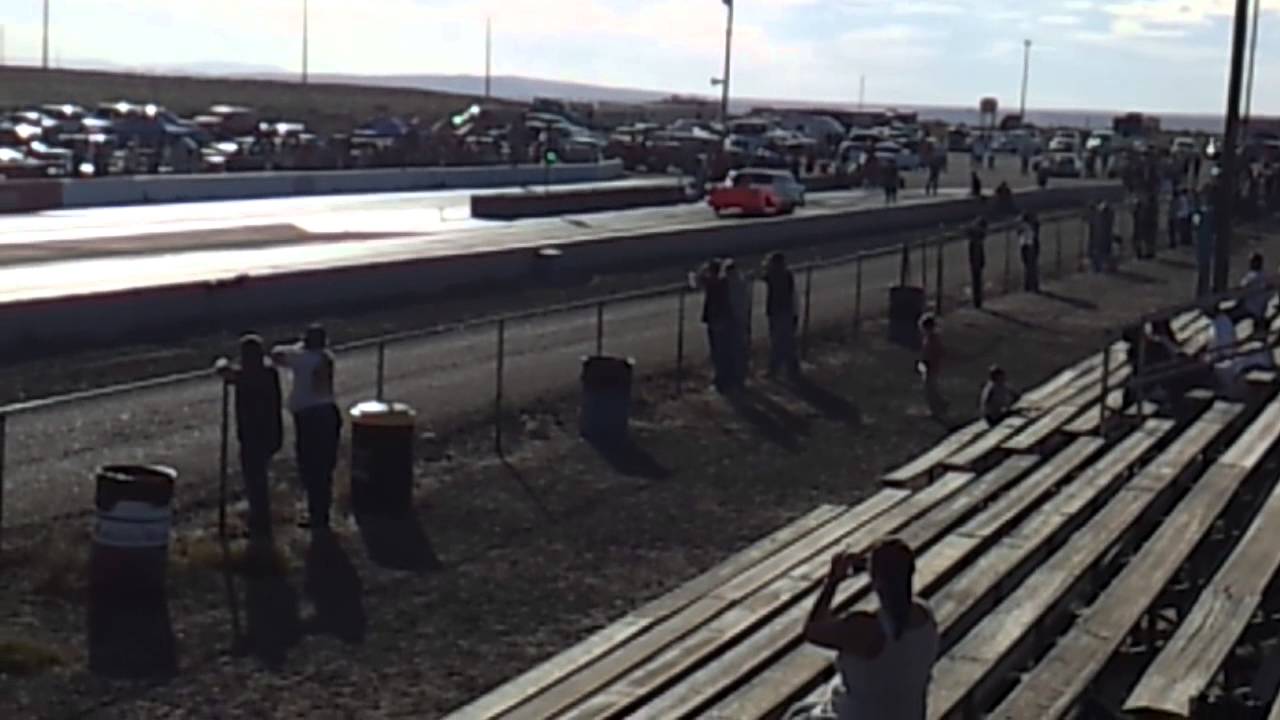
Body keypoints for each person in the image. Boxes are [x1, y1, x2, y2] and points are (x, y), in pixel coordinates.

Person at [789, 540, 939, 720]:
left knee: (796, 712)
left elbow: (812, 630)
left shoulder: (865, 628)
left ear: (873, 578)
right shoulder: (925, 616)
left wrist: (833, 580)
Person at [272, 324, 342, 533]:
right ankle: (321, 515)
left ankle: (317, 516)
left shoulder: (303, 358)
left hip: (311, 418)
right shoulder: (326, 357)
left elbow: (276, 353)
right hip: (328, 413)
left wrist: (297, 345)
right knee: (324, 468)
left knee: (311, 468)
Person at [216, 334, 284, 540]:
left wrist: (221, 361)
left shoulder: (248, 374)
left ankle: (260, 523)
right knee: (259, 477)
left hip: (254, 434)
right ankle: (260, 519)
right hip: (271, 432)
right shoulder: (269, 372)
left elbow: (225, 372)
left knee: (255, 480)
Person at [697, 259, 734, 392]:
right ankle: (725, 378)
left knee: (718, 351)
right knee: (721, 350)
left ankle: (722, 380)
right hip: (719, 319)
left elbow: (698, 280)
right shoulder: (722, 283)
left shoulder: (716, 283)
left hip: (717, 319)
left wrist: (702, 269)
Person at [763, 252, 800, 379]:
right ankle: (791, 369)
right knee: (786, 341)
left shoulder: (777, 275)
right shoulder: (786, 275)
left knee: (779, 342)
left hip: (779, 312)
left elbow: (764, 275)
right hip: (783, 311)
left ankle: (776, 369)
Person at [919, 314, 948, 421]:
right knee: (932, 388)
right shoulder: (929, 338)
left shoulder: (933, 339)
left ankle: (936, 409)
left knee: (930, 390)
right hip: (929, 366)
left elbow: (937, 352)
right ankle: (941, 404)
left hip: (931, 366)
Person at [1240, 253, 1272, 329]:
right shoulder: (1265, 275)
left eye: (1252, 261)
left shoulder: (1252, 276)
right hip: (1260, 309)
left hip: (1250, 308)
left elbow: (1242, 287)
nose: (1250, 264)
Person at [1017, 212, 1041, 293]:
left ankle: (1031, 285)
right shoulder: (1026, 228)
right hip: (1027, 247)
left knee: (1030, 267)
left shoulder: (1029, 227)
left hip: (1029, 247)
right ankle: (1031, 285)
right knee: (1030, 267)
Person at [967, 217, 988, 309]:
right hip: (976, 262)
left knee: (977, 282)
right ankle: (977, 302)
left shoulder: (976, 240)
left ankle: (977, 301)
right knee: (977, 282)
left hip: (977, 262)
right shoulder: (976, 240)